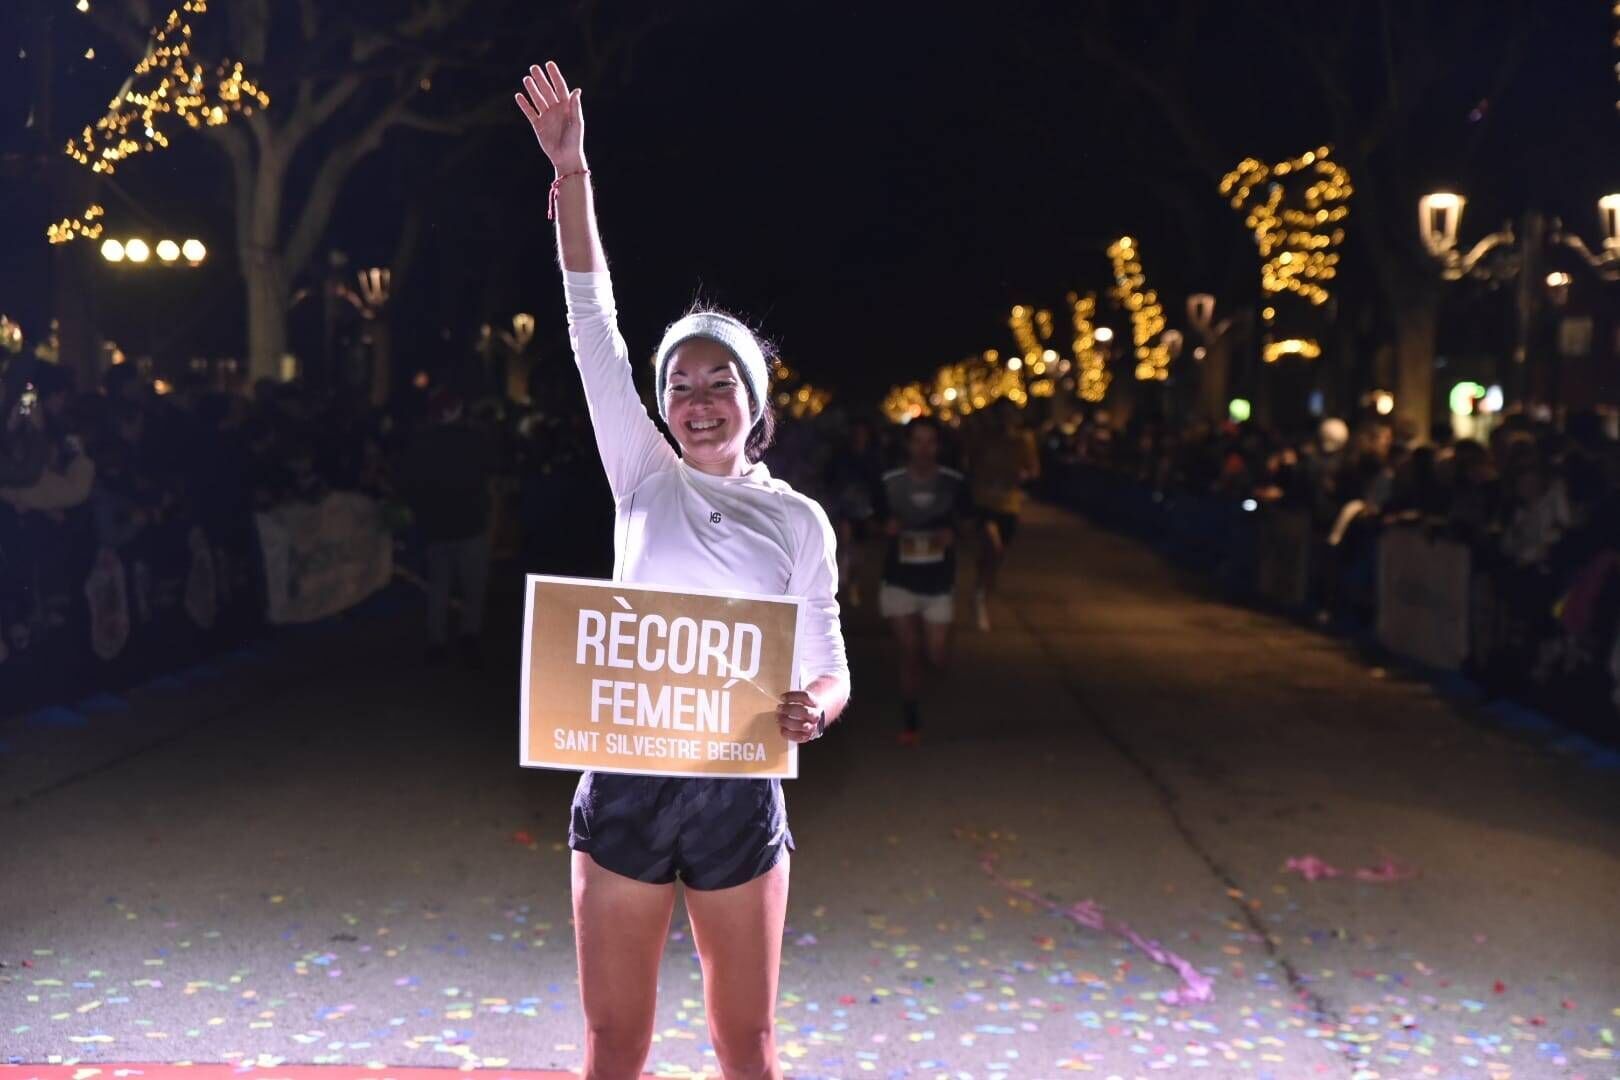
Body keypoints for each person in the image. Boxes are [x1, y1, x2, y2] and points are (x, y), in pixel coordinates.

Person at [516, 60, 850, 1080]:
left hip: (737, 791)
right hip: (626, 778)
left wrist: (814, 708)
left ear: (754, 402)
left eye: (719, 383)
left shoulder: (798, 521)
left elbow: (830, 664)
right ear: (660, 406)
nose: (698, 402)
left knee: (745, 1043)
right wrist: (573, 175)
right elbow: (591, 327)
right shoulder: (642, 475)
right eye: (679, 386)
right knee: (614, 1042)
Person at [877, 417, 967, 745]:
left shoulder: (953, 482)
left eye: (931, 441)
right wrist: (885, 528)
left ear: (939, 446)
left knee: (936, 655)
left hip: (938, 581)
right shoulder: (890, 482)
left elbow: (968, 523)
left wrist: (953, 533)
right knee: (909, 650)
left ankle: (929, 682)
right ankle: (911, 718)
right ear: (907, 444)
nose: (924, 448)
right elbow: (869, 522)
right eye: (917, 441)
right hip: (899, 579)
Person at [399, 387, 496, 666]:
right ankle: (469, 636)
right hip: (470, 524)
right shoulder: (474, 439)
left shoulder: (423, 442)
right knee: (473, 586)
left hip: (436, 527)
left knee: (438, 586)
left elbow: (410, 482)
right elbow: (491, 472)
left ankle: (436, 641)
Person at [964, 399, 1039, 630]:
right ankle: (980, 595)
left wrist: (1022, 475)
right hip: (984, 502)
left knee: (996, 556)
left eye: (1010, 414)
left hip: (1009, 505)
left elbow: (1033, 469)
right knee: (993, 547)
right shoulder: (984, 439)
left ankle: (982, 589)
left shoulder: (1023, 440)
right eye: (1002, 414)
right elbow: (969, 464)